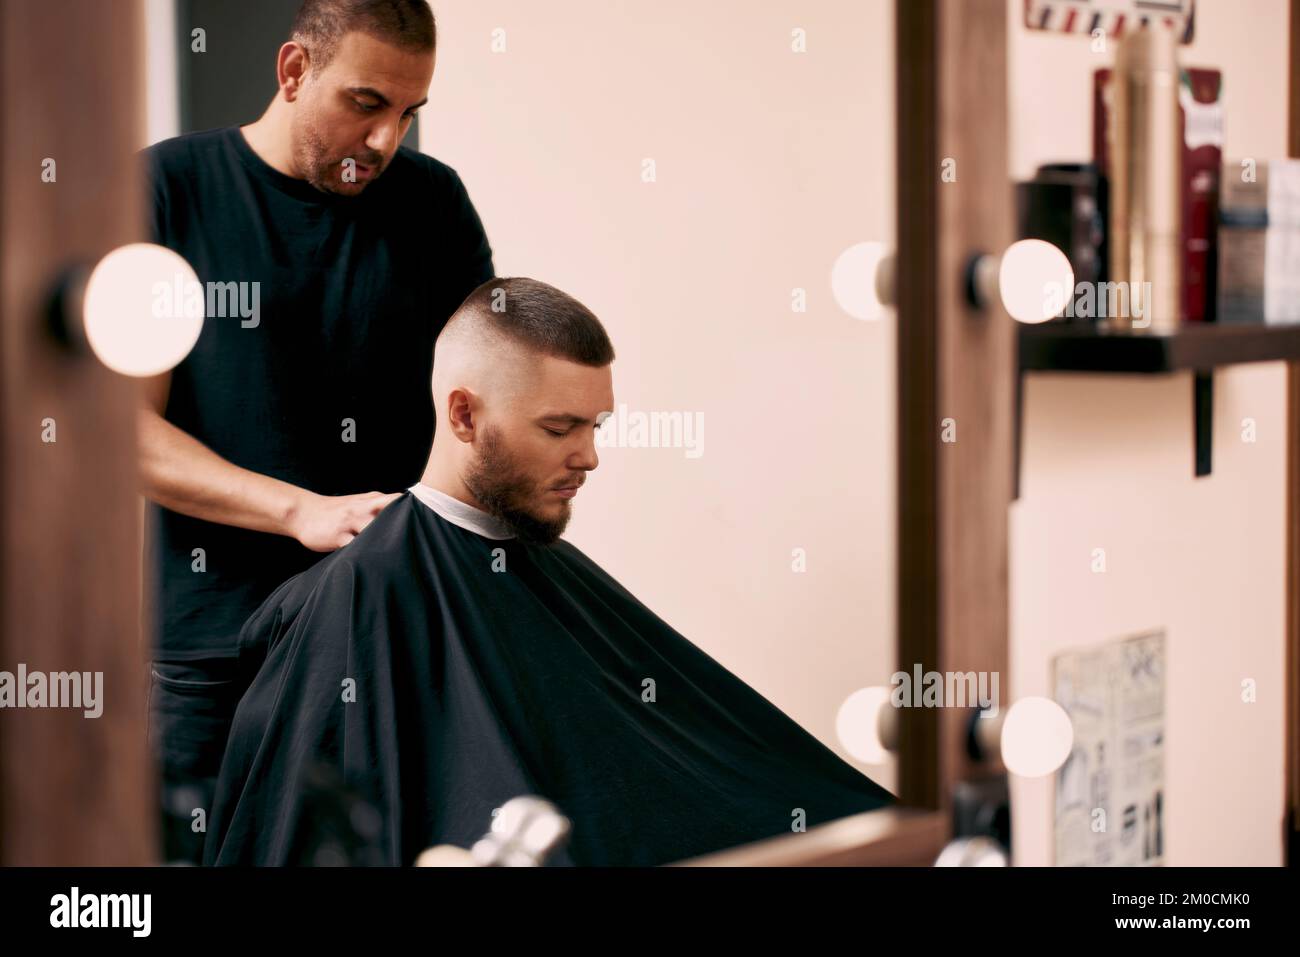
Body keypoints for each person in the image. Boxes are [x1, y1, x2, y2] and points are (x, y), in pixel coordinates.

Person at [203, 277, 895, 866]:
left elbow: (709, 771)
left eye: (597, 426)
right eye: (561, 429)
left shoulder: (554, 573)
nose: (589, 457)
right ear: (464, 414)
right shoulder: (361, 594)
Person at [138, 0, 493, 863]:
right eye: (366, 104)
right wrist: (301, 511)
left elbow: (478, 396)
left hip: (384, 638)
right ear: (294, 71)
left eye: (408, 114)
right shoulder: (165, 190)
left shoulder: (433, 201)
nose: (384, 141)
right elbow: (123, 434)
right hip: (210, 656)